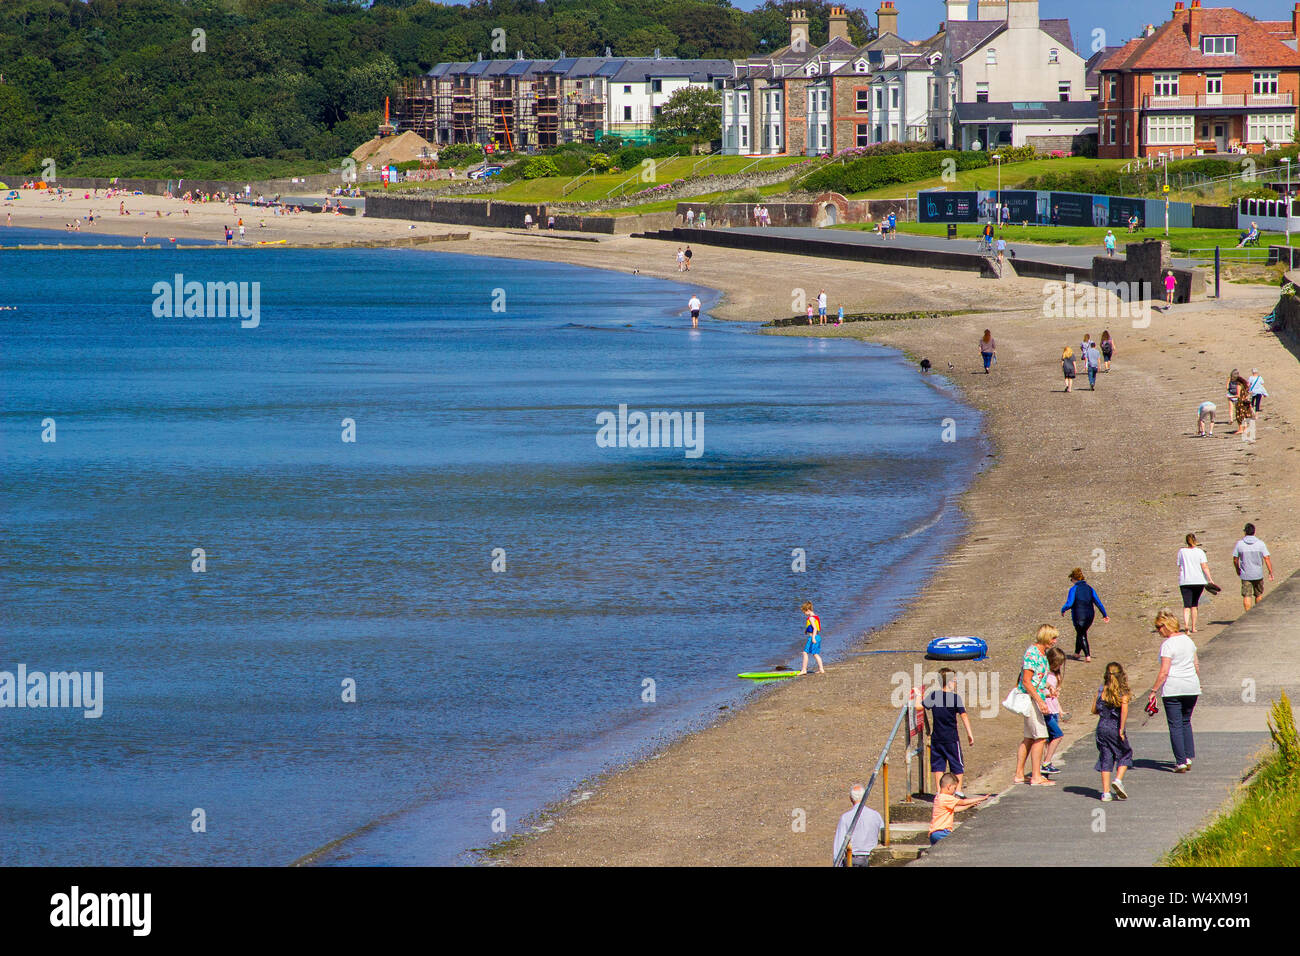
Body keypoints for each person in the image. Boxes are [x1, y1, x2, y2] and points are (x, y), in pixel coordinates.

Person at [1148, 609, 1201, 772]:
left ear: (1165, 625)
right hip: (1192, 687)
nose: (1158, 631)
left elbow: (1164, 671)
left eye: (1158, 627)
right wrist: (1197, 681)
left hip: (1173, 688)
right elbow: (1196, 665)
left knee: (1175, 725)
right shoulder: (1188, 640)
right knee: (1186, 721)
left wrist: (1153, 690)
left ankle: (1180, 761)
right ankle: (1187, 757)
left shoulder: (1167, 645)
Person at [1014, 624, 1058, 786]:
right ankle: (1036, 776)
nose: (1055, 641)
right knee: (1040, 737)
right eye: (1053, 638)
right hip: (1031, 699)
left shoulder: (1042, 654)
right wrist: (1040, 701)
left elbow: (1037, 678)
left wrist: (1048, 687)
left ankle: (1019, 774)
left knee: (1029, 737)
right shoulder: (1032, 653)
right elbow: (1026, 681)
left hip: (1035, 696)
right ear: (1046, 637)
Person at [923, 668, 975, 796]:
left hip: (937, 737)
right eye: (955, 681)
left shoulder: (934, 695)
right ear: (950, 682)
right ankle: (958, 790)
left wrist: (918, 696)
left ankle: (940, 791)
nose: (956, 683)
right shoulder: (955, 698)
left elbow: (920, 706)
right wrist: (970, 733)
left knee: (938, 765)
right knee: (957, 764)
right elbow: (964, 715)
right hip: (951, 738)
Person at [1092, 661, 1133, 800]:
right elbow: (1124, 712)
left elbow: (1094, 710)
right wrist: (1121, 729)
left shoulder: (1102, 690)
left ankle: (1106, 793)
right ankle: (1118, 780)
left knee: (1106, 757)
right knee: (1125, 753)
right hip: (1115, 727)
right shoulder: (1123, 693)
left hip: (1102, 726)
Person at [1060, 567, 1108, 662]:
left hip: (1079, 616)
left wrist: (1063, 609)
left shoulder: (1074, 589)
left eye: (1071, 579)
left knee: (1082, 634)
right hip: (1090, 616)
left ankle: (1087, 655)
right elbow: (1098, 602)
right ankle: (1077, 653)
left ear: (1074, 579)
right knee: (1081, 632)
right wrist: (1104, 614)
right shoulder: (1090, 589)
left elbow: (1070, 603)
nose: (1071, 581)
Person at [928, 773, 989, 845]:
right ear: (949, 786)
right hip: (942, 831)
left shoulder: (938, 797)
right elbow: (963, 802)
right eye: (954, 788)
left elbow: (955, 809)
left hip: (933, 833)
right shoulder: (946, 798)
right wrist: (980, 798)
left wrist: (969, 805)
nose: (954, 791)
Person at [833, 783, 884, 866]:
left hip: (852, 860)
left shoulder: (845, 817)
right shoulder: (876, 815)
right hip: (872, 859)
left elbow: (839, 846)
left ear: (851, 798)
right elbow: (883, 837)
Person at [1176, 532, 1215, 634]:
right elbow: (1204, 567)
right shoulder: (1200, 552)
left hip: (1185, 581)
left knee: (1186, 605)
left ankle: (1186, 627)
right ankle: (1193, 627)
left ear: (1186, 541)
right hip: (1198, 581)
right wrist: (1210, 579)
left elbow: (1180, 566)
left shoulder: (1181, 551)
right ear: (1195, 541)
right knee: (1194, 604)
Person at [1232, 523, 1274, 611]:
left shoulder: (1240, 544)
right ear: (1254, 532)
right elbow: (1267, 558)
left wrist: (1237, 569)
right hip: (1258, 573)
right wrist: (1270, 572)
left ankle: (1248, 615)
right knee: (1258, 594)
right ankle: (1258, 614)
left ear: (1245, 532)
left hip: (1245, 574)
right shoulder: (1260, 544)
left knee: (1247, 595)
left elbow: (1235, 559)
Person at [1041, 647, 1068, 774]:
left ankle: (1046, 763)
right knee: (1058, 735)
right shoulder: (1045, 675)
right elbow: (1041, 691)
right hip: (1047, 710)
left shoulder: (1056, 675)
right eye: (1057, 664)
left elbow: (1055, 697)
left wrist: (1061, 711)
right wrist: (1049, 693)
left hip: (1054, 710)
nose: (1059, 666)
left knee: (1050, 738)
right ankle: (1046, 762)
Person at [798, 601, 824, 675]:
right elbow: (813, 627)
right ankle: (821, 669)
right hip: (817, 637)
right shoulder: (816, 617)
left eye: (804, 612)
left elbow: (815, 628)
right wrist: (806, 630)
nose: (804, 614)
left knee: (805, 653)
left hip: (814, 637)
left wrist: (813, 638)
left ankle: (804, 670)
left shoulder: (811, 618)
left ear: (808, 610)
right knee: (815, 653)